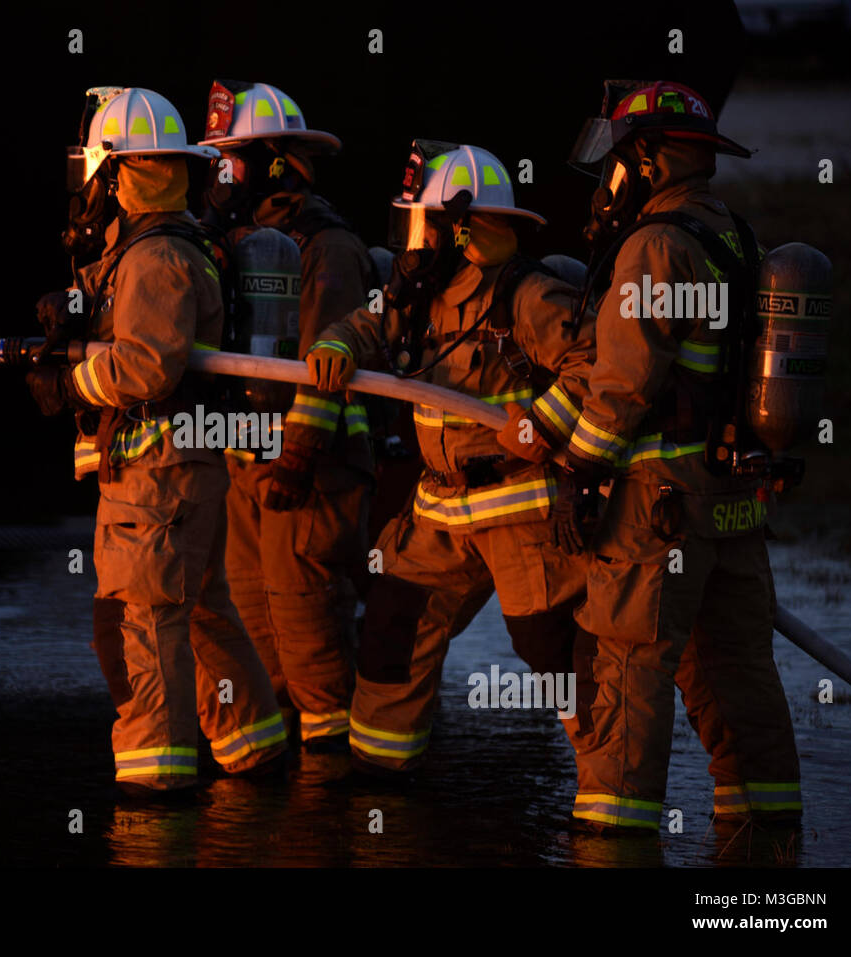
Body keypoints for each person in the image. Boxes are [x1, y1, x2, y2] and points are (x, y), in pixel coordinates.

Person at [28, 86, 287, 794]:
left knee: (141, 626)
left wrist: (74, 381)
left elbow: (146, 363)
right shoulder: (162, 244)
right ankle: (257, 755)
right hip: (180, 469)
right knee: (201, 612)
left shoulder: (155, 256)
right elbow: (131, 319)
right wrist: (75, 308)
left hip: (157, 473)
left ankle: (155, 800)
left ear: (118, 171)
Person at [558, 80, 801, 832]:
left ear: (649, 161)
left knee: (629, 663)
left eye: (618, 163)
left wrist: (579, 471)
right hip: (731, 500)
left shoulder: (654, 246)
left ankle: (614, 834)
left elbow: (625, 387)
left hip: (657, 504)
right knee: (739, 669)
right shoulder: (738, 238)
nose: (609, 183)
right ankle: (767, 835)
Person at [309, 141, 596, 775]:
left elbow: (597, 366)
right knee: (391, 631)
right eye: (409, 227)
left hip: (522, 510)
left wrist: (543, 426)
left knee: (552, 651)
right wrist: (336, 344)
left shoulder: (527, 296)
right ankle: (380, 793)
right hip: (439, 511)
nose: (412, 246)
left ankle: (614, 786)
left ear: (464, 231)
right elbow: (364, 325)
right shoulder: (413, 297)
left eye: (424, 227)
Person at [197, 79, 376, 751]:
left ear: (274, 161)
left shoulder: (324, 246)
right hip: (247, 463)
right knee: (252, 618)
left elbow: (325, 357)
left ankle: (331, 776)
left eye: (230, 159)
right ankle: (273, 803)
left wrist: (298, 454)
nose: (219, 175)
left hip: (312, 474)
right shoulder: (241, 243)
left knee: (307, 624)